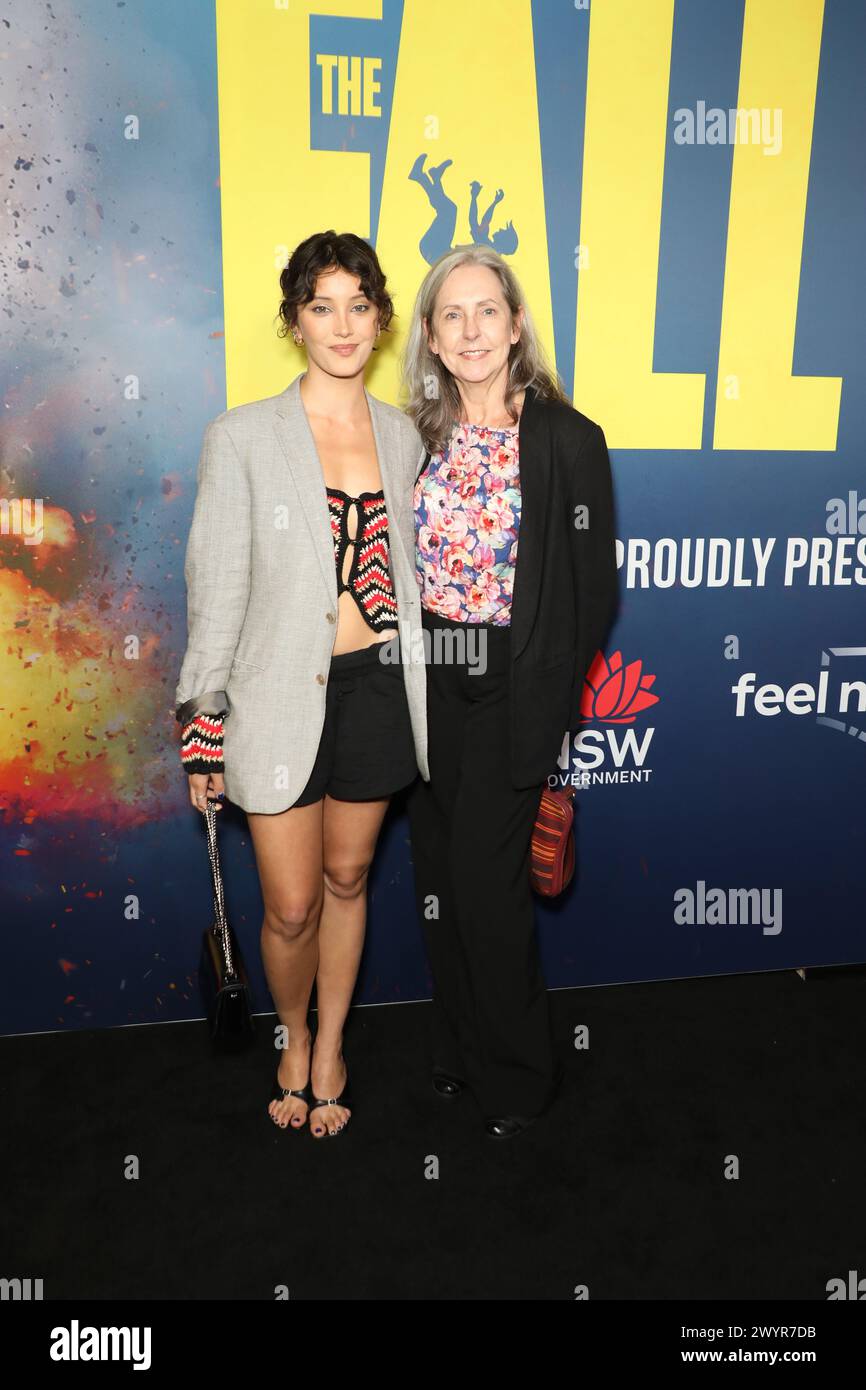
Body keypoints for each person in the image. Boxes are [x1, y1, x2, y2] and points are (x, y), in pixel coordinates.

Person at [175, 231, 429, 1139]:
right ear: (294, 321)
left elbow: (417, 573)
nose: (344, 325)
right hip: (275, 694)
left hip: (377, 689)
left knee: (350, 875)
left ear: (380, 317)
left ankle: (331, 1049)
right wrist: (204, 722)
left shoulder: (403, 438)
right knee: (291, 904)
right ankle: (291, 1031)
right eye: (322, 306)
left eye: (359, 305)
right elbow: (217, 584)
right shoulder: (241, 436)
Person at [402, 245, 619, 1139]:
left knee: (488, 892)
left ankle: (523, 1076)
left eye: (487, 310)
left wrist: (548, 702)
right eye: (452, 315)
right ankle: (461, 1051)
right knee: (439, 878)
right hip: (428, 679)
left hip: (511, 684)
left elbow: (592, 589)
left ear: (517, 324)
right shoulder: (415, 432)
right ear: (431, 337)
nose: (472, 330)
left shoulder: (568, 438)